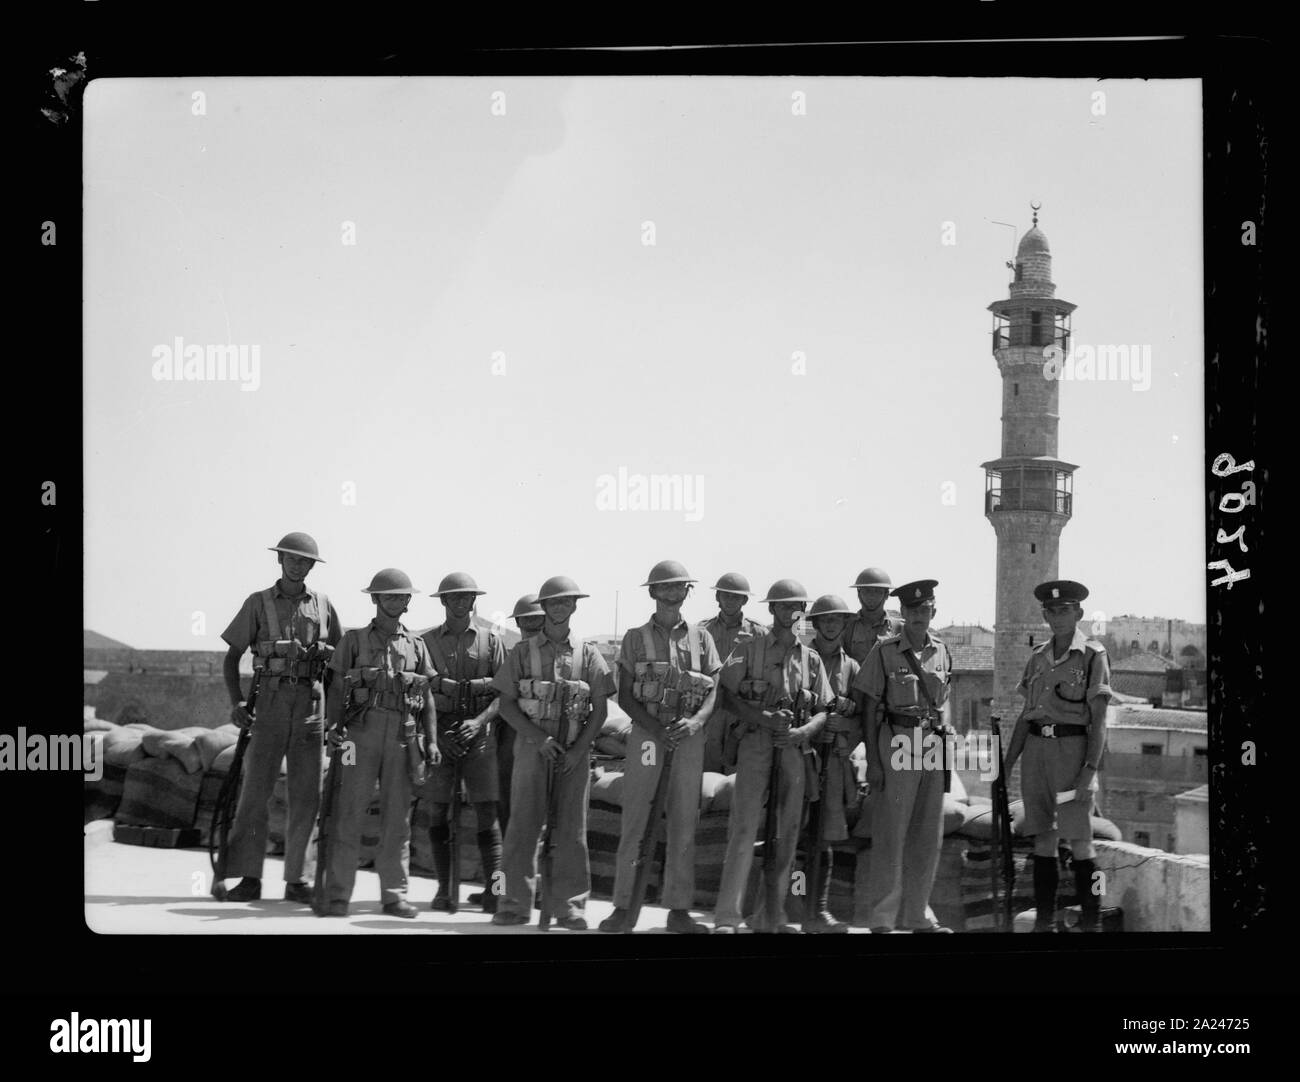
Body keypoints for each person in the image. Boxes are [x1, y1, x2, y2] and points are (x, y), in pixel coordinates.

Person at [218, 532, 341, 904]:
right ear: (280, 560)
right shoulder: (257, 603)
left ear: (311, 567)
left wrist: (334, 717)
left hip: (310, 708)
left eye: (305, 561)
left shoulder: (323, 606)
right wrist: (237, 702)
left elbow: (337, 666)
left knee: (307, 797)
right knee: (255, 794)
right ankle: (248, 877)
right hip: (268, 706)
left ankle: (297, 880)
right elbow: (231, 656)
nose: (297, 565)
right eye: (292, 558)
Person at [599, 561, 721, 934]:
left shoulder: (702, 638)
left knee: (685, 823)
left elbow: (714, 687)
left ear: (687, 592)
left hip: (687, 738)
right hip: (649, 739)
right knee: (637, 819)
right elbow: (625, 692)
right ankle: (624, 906)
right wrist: (655, 728)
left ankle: (679, 910)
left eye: (679, 586)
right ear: (652, 592)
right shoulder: (635, 638)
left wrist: (697, 721)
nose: (672, 592)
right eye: (664, 587)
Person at [491, 576, 615, 929]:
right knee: (522, 828)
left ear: (575, 606)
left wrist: (580, 751)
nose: (560, 607)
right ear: (543, 607)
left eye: (566, 602)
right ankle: (513, 904)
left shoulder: (588, 654)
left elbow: (600, 711)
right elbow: (506, 705)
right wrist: (538, 739)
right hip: (533, 751)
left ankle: (570, 907)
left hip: (574, 754)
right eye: (553, 602)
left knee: (572, 832)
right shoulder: (521, 652)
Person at [712, 579, 833, 934]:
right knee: (744, 828)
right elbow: (726, 696)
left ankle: (771, 915)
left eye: (797, 607)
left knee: (788, 833)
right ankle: (727, 916)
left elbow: (824, 709)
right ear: (771, 610)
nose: (790, 613)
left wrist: (801, 732)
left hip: (793, 748)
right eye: (783, 606)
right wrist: (762, 718)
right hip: (755, 743)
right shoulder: (749, 648)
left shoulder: (810, 658)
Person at [320, 568, 439, 917]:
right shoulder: (354, 641)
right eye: (389, 596)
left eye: (403, 596)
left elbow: (427, 696)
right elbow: (338, 687)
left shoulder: (417, 645)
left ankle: (394, 895)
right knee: (348, 814)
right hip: (358, 735)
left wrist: (431, 741)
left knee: (397, 819)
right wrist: (332, 728)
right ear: (375, 599)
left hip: (403, 737)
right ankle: (338, 894)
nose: (397, 601)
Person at [1002, 580, 1112, 932]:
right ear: (1044, 614)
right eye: (1051, 611)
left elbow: (1099, 722)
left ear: (1078, 613)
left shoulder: (1093, 655)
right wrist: (1006, 766)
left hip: (1071, 755)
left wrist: (1088, 772)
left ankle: (1092, 925)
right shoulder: (1037, 657)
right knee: (1043, 839)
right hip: (1037, 756)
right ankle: (1044, 924)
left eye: (1065, 610)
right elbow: (1026, 715)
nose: (1058, 617)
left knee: (1080, 841)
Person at [852, 578, 954, 933]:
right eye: (911, 610)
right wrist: (874, 762)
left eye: (924, 609)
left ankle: (918, 914)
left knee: (927, 836)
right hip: (896, 740)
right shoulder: (884, 651)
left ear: (933, 611)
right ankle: (882, 917)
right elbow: (868, 708)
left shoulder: (941, 650)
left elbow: (944, 701)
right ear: (903, 613)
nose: (918, 616)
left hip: (931, 746)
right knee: (892, 834)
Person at [421, 572, 506, 913]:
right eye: (453, 596)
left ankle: (495, 890)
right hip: (440, 736)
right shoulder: (424, 642)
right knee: (438, 811)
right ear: (443, 601)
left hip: (479, 735)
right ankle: (445, 889)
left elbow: (504, 694)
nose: (460, 602)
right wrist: (437, 735)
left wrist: (479, 722)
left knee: (488, 812)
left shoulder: (492, 641)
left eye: (466, 596)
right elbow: (419, 694)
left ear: (475, 601)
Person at [801, 594, 862, 934]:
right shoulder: (801, 658)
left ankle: (817, 910)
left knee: (823, 836)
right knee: (790, 831)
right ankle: (782, 907)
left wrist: (844, 733)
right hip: (799, 753)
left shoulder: (851, 667)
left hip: (833, 760)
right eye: (824, 619)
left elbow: (861, 715)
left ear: (844, 623)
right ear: (815, 623)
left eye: (836, 619)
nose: (830, 624)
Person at [700, 572, 768, 774]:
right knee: (707, 771)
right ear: (717, 597)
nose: (730, 600)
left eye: (736, 596)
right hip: (710, 709)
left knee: (737, 773)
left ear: (744, 600)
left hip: (742, 710)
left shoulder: (759, 633)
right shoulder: (702, 631)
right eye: (726, 595)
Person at [843, 568, 904, 666]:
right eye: (866, 591)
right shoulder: (847, 627)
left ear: (886, 595)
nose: (871, 596)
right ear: (858, 594)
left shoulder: (899, 628)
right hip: (857, 680)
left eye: (877, 591)